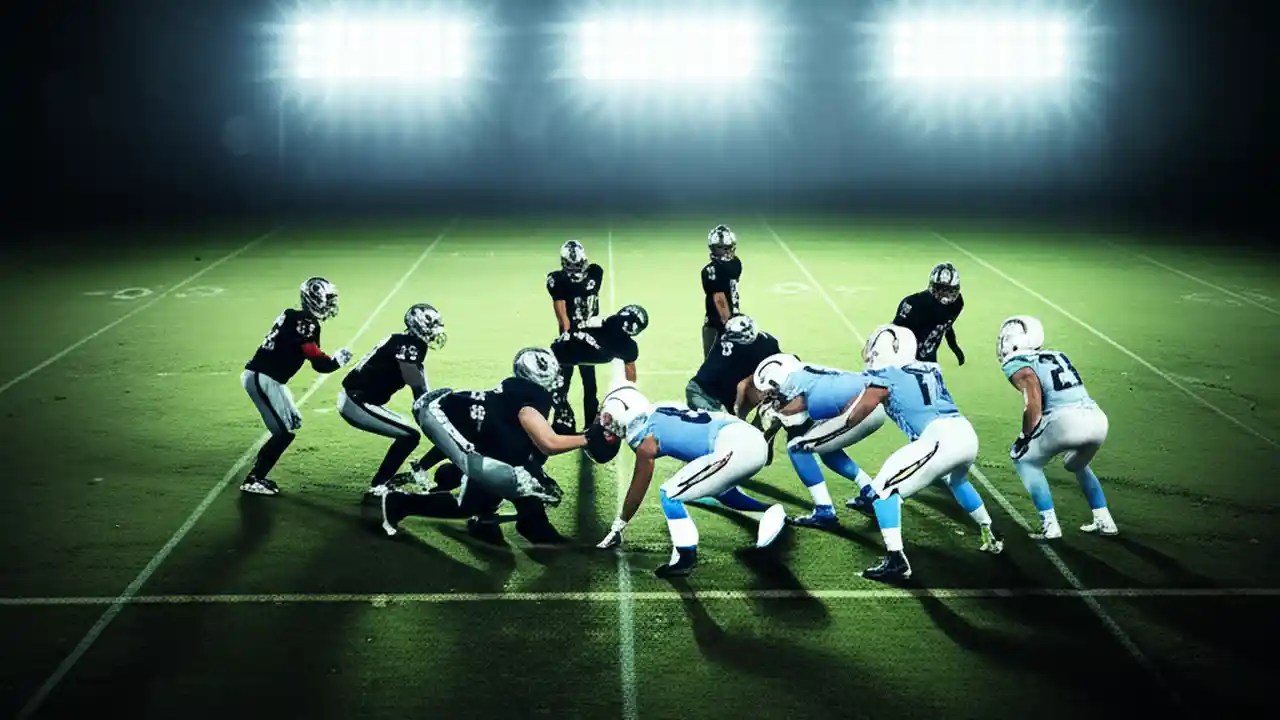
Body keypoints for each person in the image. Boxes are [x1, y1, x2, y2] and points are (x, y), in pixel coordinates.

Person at [594, 385, 786, 577]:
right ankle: (768, 512)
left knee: (670, 494)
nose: (607, 428)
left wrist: (618, 526)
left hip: (736, 448)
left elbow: (637, 490)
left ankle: (685, 557)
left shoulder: (646, 442)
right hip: (744, 437)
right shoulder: (661, 408)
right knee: (718, 488)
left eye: (608, 422)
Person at [997, 315, 1118, 538]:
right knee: (1076, 463)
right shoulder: (1057, 355)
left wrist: (1024, 437)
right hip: (1097, 419)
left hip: (1065, 422)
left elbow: (1033, 405)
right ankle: (1105, 520)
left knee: (1025, 460)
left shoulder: (1017, 363)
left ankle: (1050, 526)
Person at [240, 276, 351, 496]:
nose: (331, 303)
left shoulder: (292, 314)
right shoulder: (306, 323)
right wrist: (336, 361)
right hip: (263, 377)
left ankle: (259, 467)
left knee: (290, 423)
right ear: (315, 298)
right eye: (327, 298)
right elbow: (317, 360)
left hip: (267, 377)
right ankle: (254, 478)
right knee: (283, 433)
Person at [338, 303, 446, 498]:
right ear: (418, 326)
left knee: (408, 433)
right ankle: (379, 485)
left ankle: (385, 481)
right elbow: (415, 383)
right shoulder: (410, 347)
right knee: (410, 436)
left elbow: (417, 377)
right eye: (431, 326)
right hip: (357, 402)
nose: (435, 331)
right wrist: (430, 408)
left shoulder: (402, 341)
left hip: (358, 397)